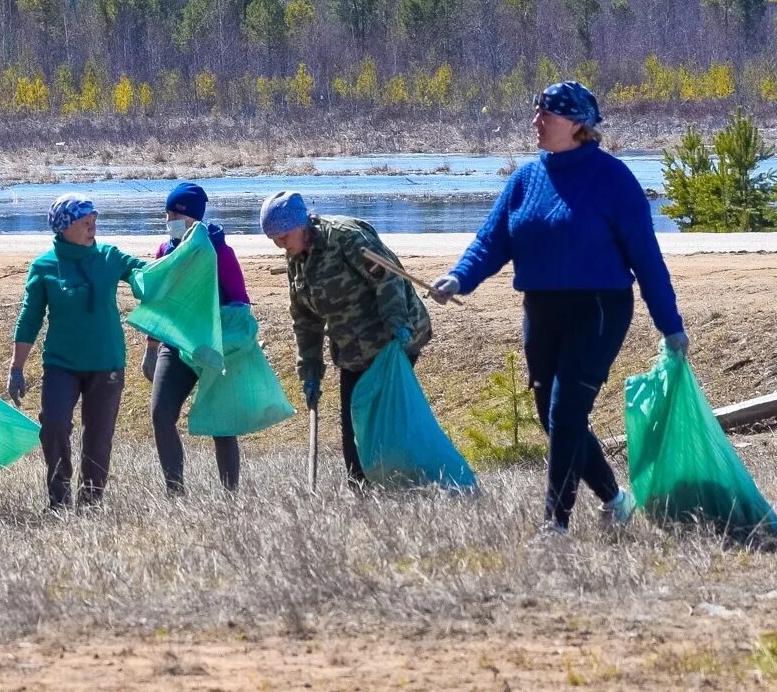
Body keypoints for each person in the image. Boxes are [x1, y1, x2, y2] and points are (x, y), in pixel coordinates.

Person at [428, 81, 690, 535]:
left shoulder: (614, 180)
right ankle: (615, 499)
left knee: (567, 412)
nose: (536, 122)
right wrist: (459, 277)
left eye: (545, 114)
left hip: (599, 309)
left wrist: (670, 325)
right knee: (552, 418)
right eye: (535, 112)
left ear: (576, 125)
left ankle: (556, 525)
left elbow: (647, 259)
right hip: (541, 309)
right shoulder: (526, 180)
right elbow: (493, 242)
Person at [259, 190, 431, 486]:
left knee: (385, 418)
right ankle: (360, 489)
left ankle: (411, 483)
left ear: (302, 224)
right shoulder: (297, 259)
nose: (281, 246)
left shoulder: (346, 238)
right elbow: (305, 320)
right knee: (353, 422)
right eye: (274, 240)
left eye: (284, 237)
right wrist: (310, 371)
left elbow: (388, 278)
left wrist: (397, 325)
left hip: (394, 339)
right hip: (352, 349)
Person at [10, 194, 146, 510]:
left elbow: (147, 273)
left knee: (98, 439)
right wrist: (17, 367)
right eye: (85, 223)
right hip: (61, 364)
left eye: (94, 222)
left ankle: (90, 503)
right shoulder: (44, 266)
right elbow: (30, 317)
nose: (92, 228)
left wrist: (185, 256)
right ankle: (58, 499)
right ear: (65, 226)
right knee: (54, 425)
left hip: (107, 363)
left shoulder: (110, 256)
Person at [143, 181, 247, 494]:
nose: (169, 219)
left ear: (192, 217)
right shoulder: (165, 250)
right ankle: (174, 492)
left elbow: (240, 300)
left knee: (222, 423)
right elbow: (156, 301)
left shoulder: (218, 250)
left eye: (175, 213)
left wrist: (235, 345)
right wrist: (149, 348)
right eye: (167, 213)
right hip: (175, 345)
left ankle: (231, 497)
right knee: (161, 415)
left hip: (213, 346)